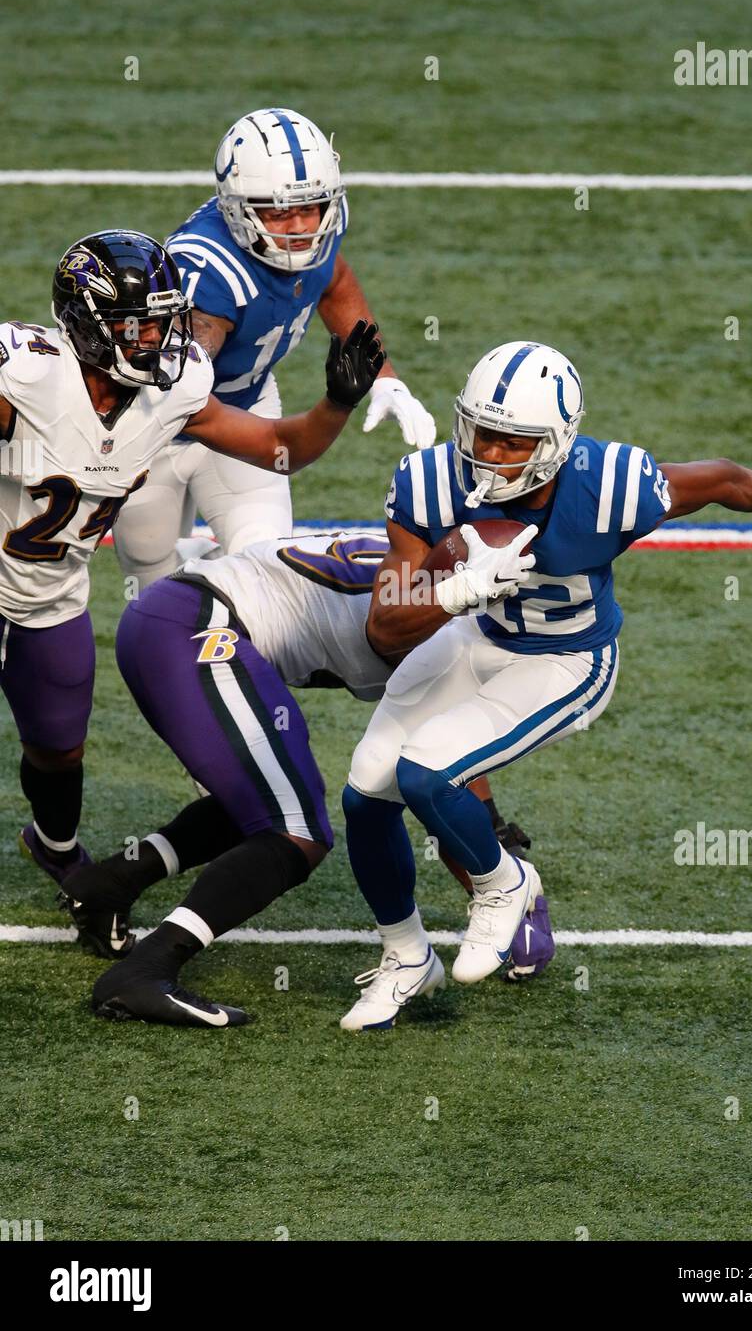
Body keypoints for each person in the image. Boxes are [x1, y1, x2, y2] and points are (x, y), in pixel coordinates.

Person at [338, 338, 752, 1030]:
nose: (489, 451)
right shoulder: (426, 483)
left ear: (556, 443)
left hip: (565, 660)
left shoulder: (613, 485)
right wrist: (459, 589)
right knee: (365, 790)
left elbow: (720, 477)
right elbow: (386, 628)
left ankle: (503, 883)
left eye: (513, 441)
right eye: (480, 430)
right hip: (475, 635)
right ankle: (404, 957)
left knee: (425, 774)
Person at [0, 227, 383, 887]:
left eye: (158, 322)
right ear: (86, 324)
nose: (152, 339)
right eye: (134, 326)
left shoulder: (170, 390)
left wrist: (335, 405)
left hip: (50, 596)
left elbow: (276, 449)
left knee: (59, 745)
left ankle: (54, 846)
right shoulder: (28, 372)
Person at [60, 531, 552, 1027]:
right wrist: (508, 896)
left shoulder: (413, 557)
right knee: (297, 831)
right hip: (200, 629)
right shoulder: (440, 612)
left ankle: (107, 883)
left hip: (171, 619)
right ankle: (144, 971)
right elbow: (445, 783)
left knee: (267, 795)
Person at [111, 107, 436, 586]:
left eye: (311, 206)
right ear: (237, 207)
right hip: (154, 427)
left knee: (263, 571)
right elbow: (176, 385)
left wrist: (385, 380)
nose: (302, 226)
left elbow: (334, 281)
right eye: (280, 212)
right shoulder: (206, 275)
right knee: (148, 571)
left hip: (247, 401)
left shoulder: (315, 236)